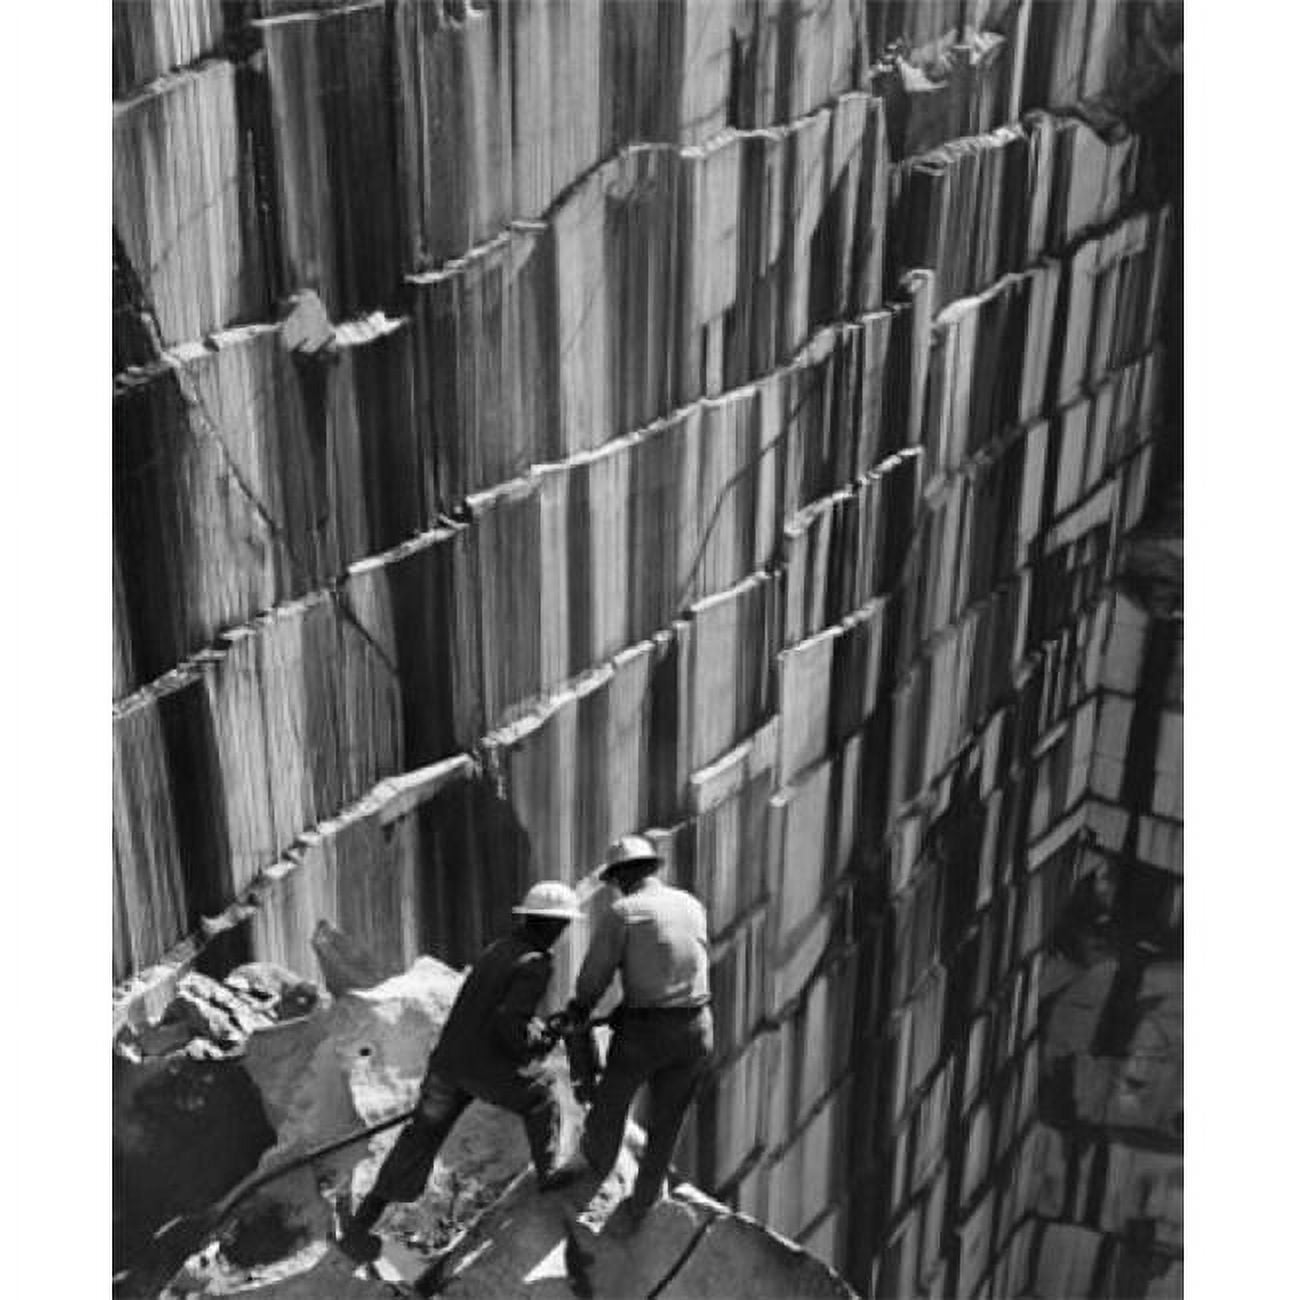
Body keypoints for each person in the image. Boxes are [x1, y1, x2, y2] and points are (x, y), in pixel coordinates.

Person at [338, 881, 584, 1262]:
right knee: (542, 1096)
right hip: (484, 1069)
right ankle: (549, 1172)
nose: (563, 932)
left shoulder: (498, 949)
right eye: (562, 925)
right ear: (554, 926)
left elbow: (491, 1009)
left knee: (419, 1137)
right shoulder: (535, 964)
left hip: (448, 1064)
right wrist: (538, 1042)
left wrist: (531, 1030)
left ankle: (361, 1223)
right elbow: (509, 1024)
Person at [563, 835, 713, 1236]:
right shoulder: (690, 904)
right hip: (697, 1026)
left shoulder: (624, 912)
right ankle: (644, 1205)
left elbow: (596, 974)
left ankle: (590, 1183)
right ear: (651, 870)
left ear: (620, 877)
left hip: (647, 1032)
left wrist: (581, 1008)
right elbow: (679, 964)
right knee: (667, 1122)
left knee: (609, 1107)